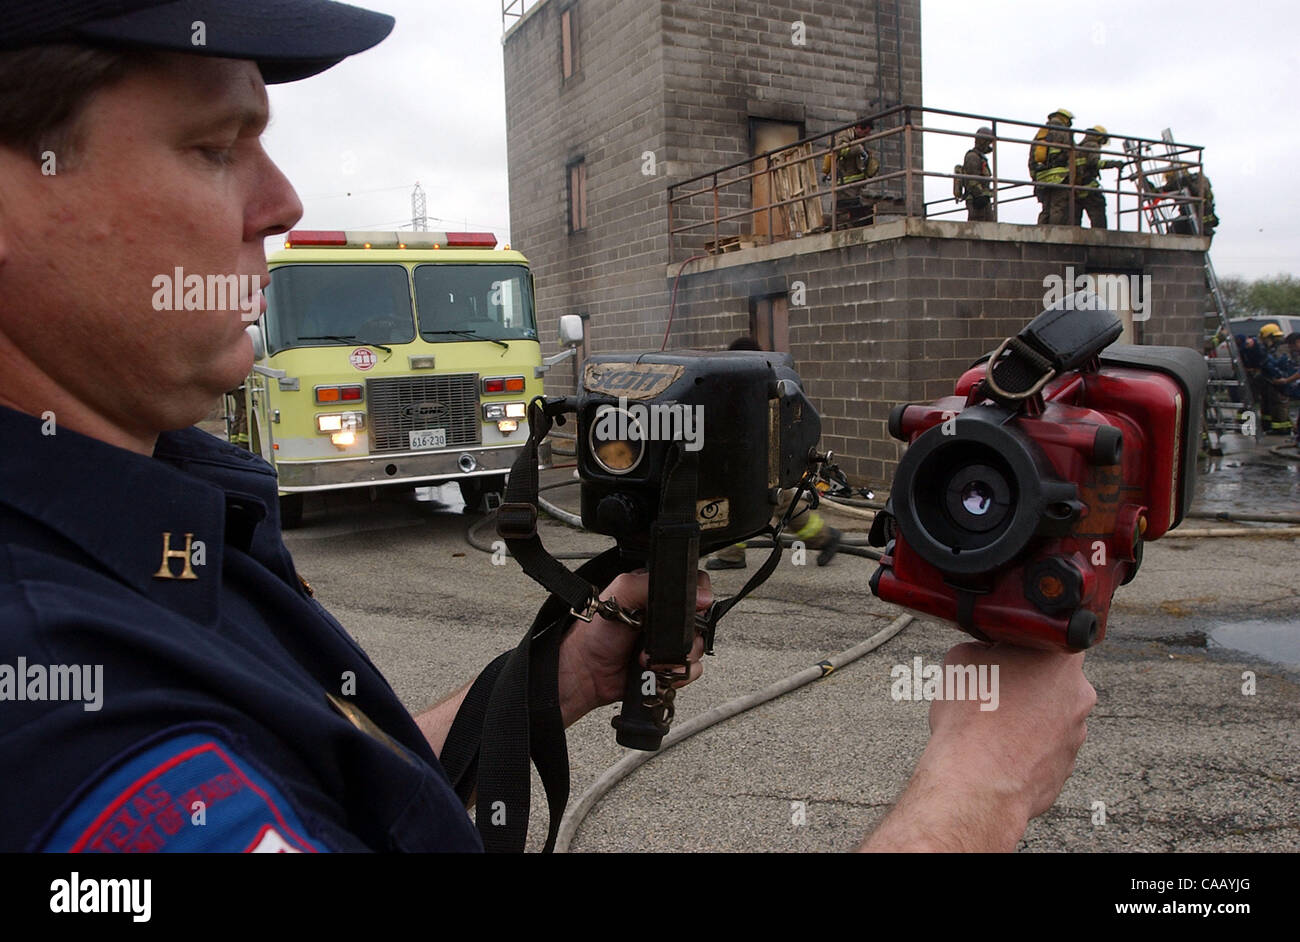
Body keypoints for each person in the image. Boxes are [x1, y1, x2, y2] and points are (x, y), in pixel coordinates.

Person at [0, 1, 1094, 854]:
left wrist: (563, 677)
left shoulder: (160, 510)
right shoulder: (58, 707)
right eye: (213, 147)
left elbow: (327, 802)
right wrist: (975, 797)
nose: (281, 202)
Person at [705, 337, 842, 570]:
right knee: (781, 502)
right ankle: (825, 537)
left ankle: (731, 556)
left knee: (738, 503)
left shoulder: (749, 385)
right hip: (761, 459)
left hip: (753, 460)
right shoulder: (765, 381)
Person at [822, 119, 880, 226]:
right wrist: (858, 149)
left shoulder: (859, 138)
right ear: (858, 127)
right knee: (847, 206)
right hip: (844, 180)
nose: (865, 136)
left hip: (855, 182)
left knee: (856, 206)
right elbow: (840, 150)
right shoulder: (845, 135)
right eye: (865, 132)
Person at [1028, 109, 1075, 225]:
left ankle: (1041, 233)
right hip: (1060, 176)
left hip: (1042, 177)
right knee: (1057, 207)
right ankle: (1056, 234)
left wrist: (1035, 178)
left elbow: (1031, 159)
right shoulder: (1064, 132)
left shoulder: (1040, 134)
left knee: (1045, 209)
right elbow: (1072, 154)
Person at [1072, 126, 1124, 229]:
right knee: (1098, 211)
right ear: (1100, 137)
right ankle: (1100, 237)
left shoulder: (1078, 147)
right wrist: (1114, 164)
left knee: (1075, 217)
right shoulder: (1093, 145)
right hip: (1089, 185)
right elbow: (1094, 163)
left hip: (1076, 186)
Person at [1159, 167, 1218, 236]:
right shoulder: (1178, 183)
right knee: (1174, 230)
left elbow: (1199, 193)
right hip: (1191, 218)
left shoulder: (1197, 180)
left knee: (1175, 229)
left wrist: (1188, 184)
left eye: (1169, 178)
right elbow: (1160, 192)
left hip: (1201, 220)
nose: (1168, 181)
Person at [961, 127, 996, 222]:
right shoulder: (972, 157)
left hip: (983, 199)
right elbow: (972, 180)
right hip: (976, 200)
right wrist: (980, 196)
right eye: (987, 142)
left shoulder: (980, 157)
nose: (988, 145)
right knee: (977, 227)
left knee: (989, 226)